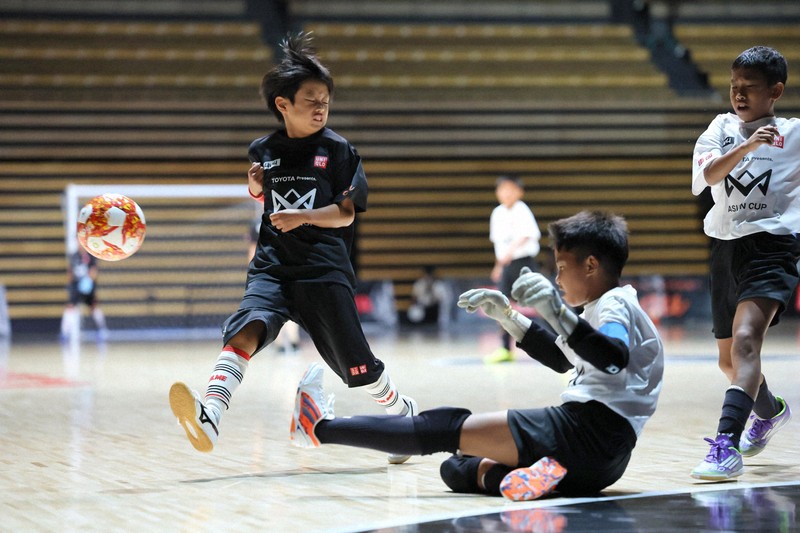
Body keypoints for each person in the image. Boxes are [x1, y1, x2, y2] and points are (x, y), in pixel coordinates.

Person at [290, 211, 664, 501]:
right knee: (456, 467)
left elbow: (612, 357)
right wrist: (508, 316)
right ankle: (531, 479)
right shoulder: (600, 309)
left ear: (592, 265)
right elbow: (563, 358)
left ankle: (319, 427)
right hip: (602, 463)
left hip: (583, 433)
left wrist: (555, 310)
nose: (559, 280)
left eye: (562, 269)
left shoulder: (616, 304)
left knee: (444, 426)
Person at [169, 32, 417, 464]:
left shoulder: (340, 151)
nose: (321, 107)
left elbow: (346, 214)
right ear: (283, 104)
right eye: (311, 100)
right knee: (246, 330)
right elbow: (266, 199)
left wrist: (304, 216)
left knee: (359, 367)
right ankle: (210, 414)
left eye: (325, 101)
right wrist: (253, 186)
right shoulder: (263, 150)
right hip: (272, 268)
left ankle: (405, 420)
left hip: (323, 271)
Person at [690, 46, 798, 481]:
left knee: (747, 339)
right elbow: (710, 176)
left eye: (748, 88)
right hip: (725, 246)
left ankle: (725, 447)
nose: (738, 95)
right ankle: (769, 411)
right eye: (734, 86)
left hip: (773, 245)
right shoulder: (719, 128)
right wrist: (748, 145)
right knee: (729, 360)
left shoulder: (794, 133)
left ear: (775, 91)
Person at [485, 174, 541, 363]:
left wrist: (509, 253)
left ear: (519, 192)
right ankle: (505, 349)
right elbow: (498, 245)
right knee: (502, 305)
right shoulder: (497, 213)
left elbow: (527, 235)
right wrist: (498, 266)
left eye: (510, 189)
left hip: (523, 263)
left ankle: (560, 343)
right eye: (502, 190)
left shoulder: (521, 210)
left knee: (541, 303)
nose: (506, 193)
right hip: (507, 266)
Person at [60, 247, 108, 342]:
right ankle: (64, 332)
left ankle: (102, 330)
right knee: (70, 306)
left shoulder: (91, 255)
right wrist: (69, 284)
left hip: (87, 286)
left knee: (94, 306)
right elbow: (70, 271)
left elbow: (94, 270)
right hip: (76, 286)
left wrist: (89, 281)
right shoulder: (74, 255)